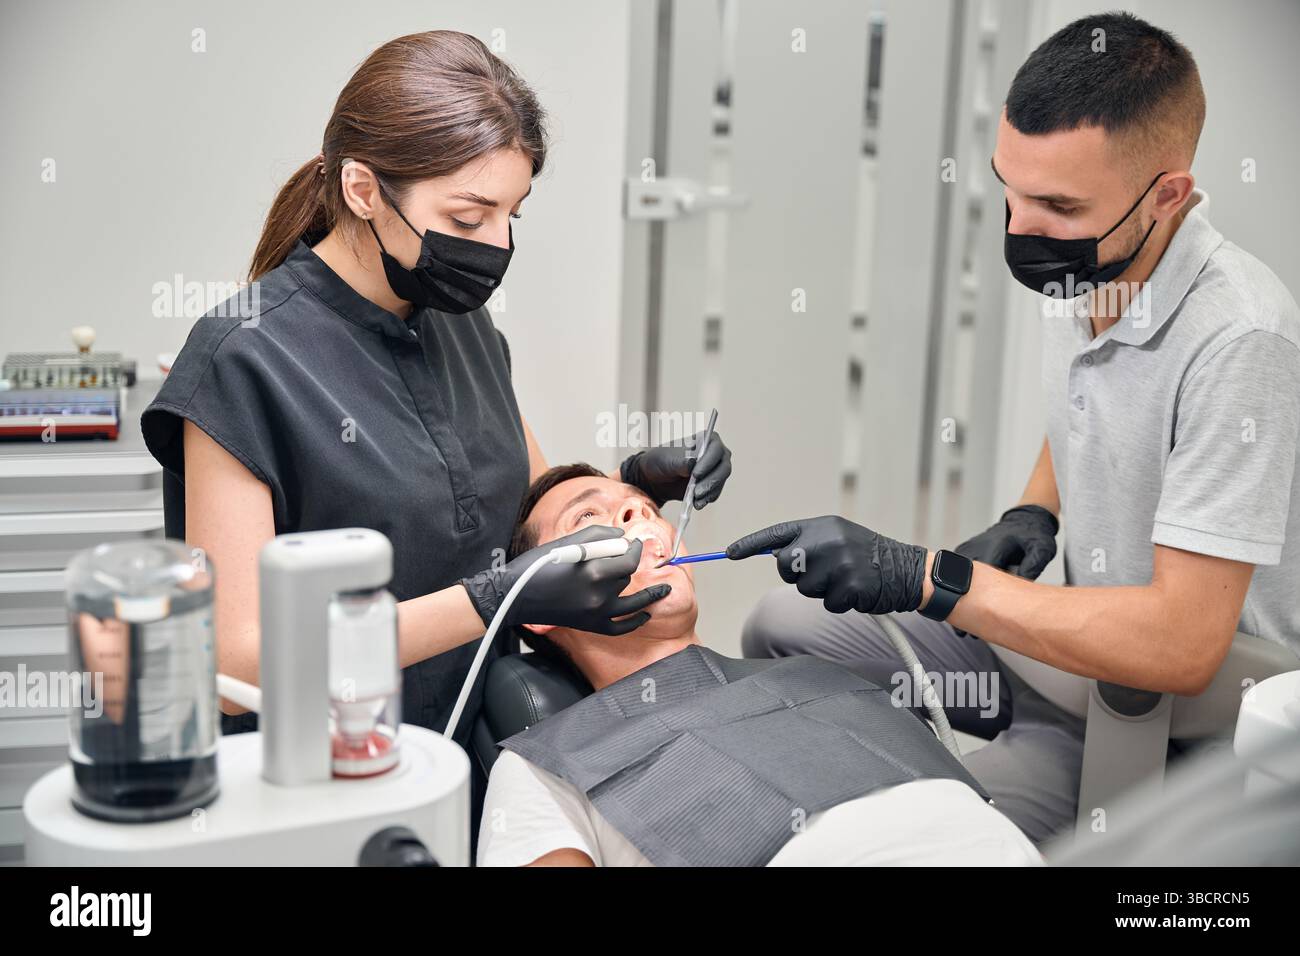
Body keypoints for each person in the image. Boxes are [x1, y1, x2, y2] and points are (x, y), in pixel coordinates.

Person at [737, 12, 1300, 845]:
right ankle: (914, 792)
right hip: (1069, 647)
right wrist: (1037, 510)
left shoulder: (1240, 341)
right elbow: (1094, 403)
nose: (1019, 226)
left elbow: (1183, 646)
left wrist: (934, 580)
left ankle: (960, 811)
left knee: (933, 848)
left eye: (1057, 204)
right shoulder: (1095, 264)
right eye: (1009, 186)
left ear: (1168, 194)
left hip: (1171, 711)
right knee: (777, 628)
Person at [139, 32, 732, 812]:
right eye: (470, 215)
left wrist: (626, 486)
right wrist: (491, 602)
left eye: (511, 214)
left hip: (478, 755)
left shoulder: (460, 321)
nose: (497, 246)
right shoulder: (242, 361)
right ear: (362, 189)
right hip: (319, 789)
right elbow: (237, 670)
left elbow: (518, 513)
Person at [476, 465, 1042, 867]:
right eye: (588, 518)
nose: (635, 512)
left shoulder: (819, 676)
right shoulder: (544, 767)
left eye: (643, 507)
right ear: (539, 608)